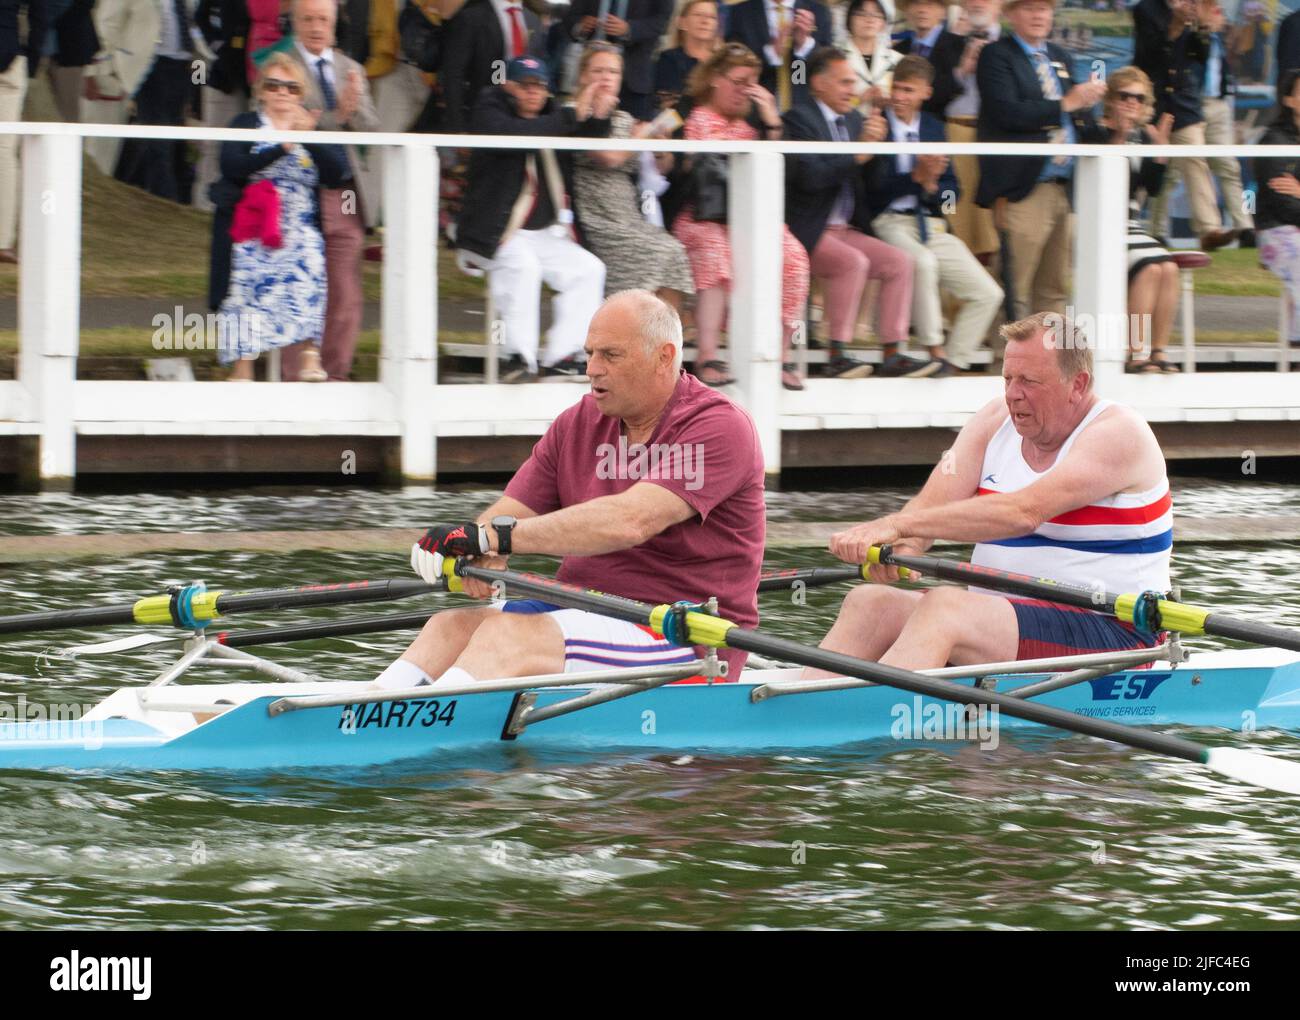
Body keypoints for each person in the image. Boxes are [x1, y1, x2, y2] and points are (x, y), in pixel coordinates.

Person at [374, 290, 765, 690]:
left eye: (610, 355)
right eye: (590, 353)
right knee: (449, 626)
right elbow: (512, 510)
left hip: (684, 637)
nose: (592, 369)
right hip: (584, 610)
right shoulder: (579, 422)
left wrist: (499, 537)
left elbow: (631, 520)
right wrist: (477, 548)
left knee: (507, 636)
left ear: (664, 357)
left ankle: (417, 727)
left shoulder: (718, 426)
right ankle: (366, 711)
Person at [805, 311, 1174, 675]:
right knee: (870, 602)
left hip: (1113, 631)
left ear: (1077, 385)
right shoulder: (993, 421)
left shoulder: (1119, 434)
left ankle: (870, 723)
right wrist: (906, 548)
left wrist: (895, 525)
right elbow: (932, 507)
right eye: (1008, 378)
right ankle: (803, 717)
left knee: (945, 608)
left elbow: (1022, 513)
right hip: (1003, 618)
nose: (1013, 395)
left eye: (1029, 381)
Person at [454, 55, 612, 382]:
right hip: (498, 232)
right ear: (507, 86)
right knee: (523, 268)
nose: (533, 93)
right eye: (525, 85)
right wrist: (571, 114)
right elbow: (515, 136)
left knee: (589, 269)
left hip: (546, 233)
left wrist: (598, 114)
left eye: (539, 85)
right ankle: (518, 357)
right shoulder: (489, 107)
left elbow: (584, 138)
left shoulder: (554, 113)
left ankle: (564, 356)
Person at [670, 43, 812, 391]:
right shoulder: (693, 116)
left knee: (794, 258)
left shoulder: (754, 125)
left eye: (751, 83)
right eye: (737, 81)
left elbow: (788, 174)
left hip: (751, 221)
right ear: (716, 79)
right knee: (716, 250)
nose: (744, 91)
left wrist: (773, 122)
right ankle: (707, 355)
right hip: (703, 218)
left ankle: (779, 357)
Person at [783, 47, 931, 379]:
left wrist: (880, 149)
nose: (852, 90)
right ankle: (837, 352)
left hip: (846, 227)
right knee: (852, 262)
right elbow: (810, 178)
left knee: (900, 262)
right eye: (844, 82)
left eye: (853, 82)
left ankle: (893, 352)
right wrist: (858, 154)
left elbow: (871, 181)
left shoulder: (854, 119)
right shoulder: (798, 118)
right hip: (808, 228)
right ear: (819, 83)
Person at [211, 53, 350, 381]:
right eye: (273, 85)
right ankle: (243, 364)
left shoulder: (310, 128)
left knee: (309, 262)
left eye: (290, 87)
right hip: (254, 220)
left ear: (300, 94)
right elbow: (232, 167)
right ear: (261, 91)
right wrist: (281, 148)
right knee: (245, 276)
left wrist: (307, 138)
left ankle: (309, 356)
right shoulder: (245, 125)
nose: (282, 93)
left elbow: (335, 173)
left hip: (299, 224)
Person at [866, 55, 1002, 374]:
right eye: (897, 88)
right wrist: (914, 180)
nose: (900, 96)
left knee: (988, 293)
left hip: (933, 223)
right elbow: (869, 190)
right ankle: (933, 348)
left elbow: (955, 192)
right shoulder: (876, 125)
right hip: (888, 220)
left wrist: (933, 189)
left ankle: (952, 362)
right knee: (923, 263)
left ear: (926, 93)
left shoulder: (933, 127)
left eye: (908, 90)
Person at [975, 0, 1107, 322]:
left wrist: (1109, 127)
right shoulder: (996, 55)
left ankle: (1050, 368)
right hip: (1023, 188)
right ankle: (1003, 366)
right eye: (1029, 8)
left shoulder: (1060, 57)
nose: (1038, 15)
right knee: (1014, 285)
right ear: (1009, 14)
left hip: (1064, 187)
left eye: (1044, 8)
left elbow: (1074, 115)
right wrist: (1066, 103)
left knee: (1054, 288)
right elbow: (1006, 113)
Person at [284, 0, 380, 382]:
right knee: (299, 283)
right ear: (295, 23)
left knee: (345, 291)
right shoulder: (281, 66)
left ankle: (335, 373)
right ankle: (293, 375)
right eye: (307, 19)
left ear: (334, 24)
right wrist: (335, 116)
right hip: (299, 189)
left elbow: (373, 129)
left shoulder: (351, 69)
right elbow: (286, 117)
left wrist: (352, 112)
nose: (316, 26)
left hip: (344, 193)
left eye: (323, 19)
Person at [571, 43, 696, 307]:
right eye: (599, 70)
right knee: (655, 251)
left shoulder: (625, 119)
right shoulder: (575, 113)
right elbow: (609, 157)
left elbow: (660, 171)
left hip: (627, 211)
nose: (606, 77)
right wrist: (639, 138)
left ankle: (667, 339)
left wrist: (660, 147)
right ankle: (634, 332)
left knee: (673, 250)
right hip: (596, 213)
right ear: (583, 75)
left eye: (613, 72)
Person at [1133, 0, 1235, 250]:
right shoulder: (1145, 9)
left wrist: (1204, 28)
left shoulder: (1194, 7)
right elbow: (1150, 53)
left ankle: (1209, 230)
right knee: (1149, 167)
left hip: (1184, 102)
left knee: (1195, 160)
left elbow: (1200, 56)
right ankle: (1134, 225)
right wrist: (1176, 25)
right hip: (1151, 101)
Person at [1101, 66, 1180, 374]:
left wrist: (1160, 152)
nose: (1132, 103)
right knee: (1148, 268)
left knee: (1169, 268)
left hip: (1131, 224)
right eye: (1125, 96)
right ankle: (1135, 353)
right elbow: (1102, 178)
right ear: (1111, 99)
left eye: (1139, 97)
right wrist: (1118, 135)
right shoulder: (1096, 131)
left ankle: (1158, 351)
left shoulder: (1140, 139)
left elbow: (1154, 188)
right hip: (1101, 222)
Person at [111, 0, 200, 203]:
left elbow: (198, 42)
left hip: (185, 67)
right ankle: (165, 199)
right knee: (157, 137)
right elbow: (112, 22)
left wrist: (196, 90)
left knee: (175, 139)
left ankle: (165, 194)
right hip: (152, 68)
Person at [942, 0, 1000, 260]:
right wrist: (962, 68)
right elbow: (930, 95)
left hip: (993, 139)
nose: (978, 2)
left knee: (989, 225)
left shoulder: (1011, 45)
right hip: (953, 135)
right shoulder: (947, 42)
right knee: (952, 215)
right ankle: (950, 298)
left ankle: (992, 294)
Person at [439, 0, 546, 134]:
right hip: (482, 117)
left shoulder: (533, 20)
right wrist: (457, 127)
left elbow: (539, 69)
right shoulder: (471, 17)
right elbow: (453, 74)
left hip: (524, 122)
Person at [562, 0, 674, 120]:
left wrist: (629, 29)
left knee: (631, 130)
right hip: (590, 73)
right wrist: (580, 24)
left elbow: (663, 21)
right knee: (579, 126)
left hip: (635, 78)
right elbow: (570, 18)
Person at [1254, 68, 1300, 352]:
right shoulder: (1275, 141)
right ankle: (1296, 346)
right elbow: (1282, 202)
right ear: (1289, 100)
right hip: (1277, 230)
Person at [0, 0, 46, 265]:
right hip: (8, 56)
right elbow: (40, 14)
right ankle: (2, 239)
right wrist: (31, 58)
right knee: (4, 151)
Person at [723, 0, 832, 111]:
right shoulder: (741, 12)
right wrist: (772, 52)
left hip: (804, 113)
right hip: (755, 111)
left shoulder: (819, 11)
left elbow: (825, 68)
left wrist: (803, 46)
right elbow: (734, 64)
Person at [891, 0, 964, 116]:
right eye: (916, 3)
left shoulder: (960, 46)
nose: (922, 10)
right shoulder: (897, 51)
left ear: (943, 11)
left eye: (929, 4)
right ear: (907, 11)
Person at [653, 0, 720, 112]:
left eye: (712, 17)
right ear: (681, 23)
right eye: (698, 15)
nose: (705, 21)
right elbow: (669, 107)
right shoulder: (668, 59)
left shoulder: (724, 62)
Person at [840, 0, 902, 106]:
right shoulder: (836, 58)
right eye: (861, 14)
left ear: (883, 23)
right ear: (849, 19)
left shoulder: (897, 60)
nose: (869, 20)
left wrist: (888, 102)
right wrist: (858, 100)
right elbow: (829, 104)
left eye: (877, 15)